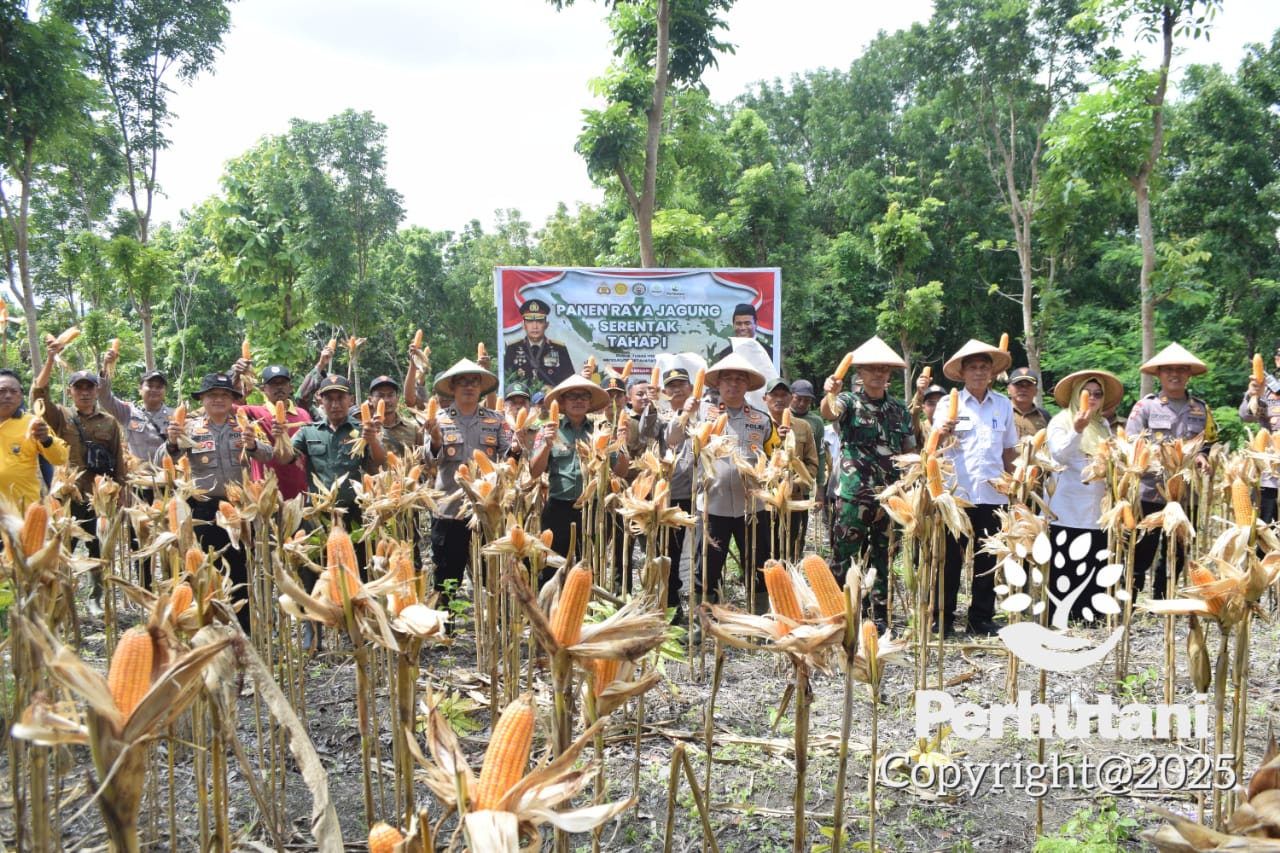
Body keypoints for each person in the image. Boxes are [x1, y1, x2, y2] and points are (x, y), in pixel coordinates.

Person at [158, 373, 271, 634]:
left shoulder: (245, 426)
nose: (218, 399)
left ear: (233, 399)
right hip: (203, 509)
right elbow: (162, 461)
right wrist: (172, 443)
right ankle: (210, 628)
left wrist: (253, 446)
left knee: (240, 571)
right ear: (203, 400)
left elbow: (269, 454)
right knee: (206, 570)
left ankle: (243, 631)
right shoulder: (190, 428)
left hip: (238, 510)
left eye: (224, 395)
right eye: (212, 395)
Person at [669, 352, 777, 612]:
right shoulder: (700, 415)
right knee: (706, 567)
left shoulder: (762, 420)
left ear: (748, 385)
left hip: (752, 509)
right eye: (727, 379)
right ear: (718, 384)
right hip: (711, 508)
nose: (733, 384)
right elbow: (673, 439)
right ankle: (704, 620)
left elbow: (774, 460)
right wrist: (684, 413)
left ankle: (759, 619)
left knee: (758, 565)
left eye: (740, 379)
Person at [820, 336, 916, 629]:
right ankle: (840, 612)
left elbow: (909, 450)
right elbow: (829, 412)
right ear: (859, 373)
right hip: (854, 493)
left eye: (884, 369)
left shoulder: (900, 409)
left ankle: (879, 616)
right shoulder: (848, 401)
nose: (878, 374)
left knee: (884, 557)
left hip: (890, 496)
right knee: (845, 555)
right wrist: (830, 393)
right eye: (872, 369)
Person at [931, 338, 1018, 636]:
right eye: (973, 368)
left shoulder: (1003, 405)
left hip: (993, 494)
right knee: (950, 560)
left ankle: (980, 617)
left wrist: (1014, 488)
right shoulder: (947, 404)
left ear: (992, 372)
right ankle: (941, 617)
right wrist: (942, 433)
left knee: (987, 560)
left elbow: (1009, 451)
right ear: (963, 373)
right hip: (958, 495)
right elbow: (933, 450)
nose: (979, 373)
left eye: (984, 367)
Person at [33, 341, 127, 612]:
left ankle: (95, 598)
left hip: (99, 496)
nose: (85, 393)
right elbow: (39, 394)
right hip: (66, 496)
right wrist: (51, 359)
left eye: (89, 388)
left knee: (99, 548)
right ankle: (59, 598)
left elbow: (119, 460)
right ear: (70, 391)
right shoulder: (61, 417)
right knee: (63, 547)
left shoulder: (109, 422)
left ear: (97, 391)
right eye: (79, 388)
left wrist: (121, 494)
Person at [1125, 343, 1217, 598]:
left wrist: (1202, 457)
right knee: (1143, 546)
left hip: (1186, 493)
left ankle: (1163, 596)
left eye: (1180, 370)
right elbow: (1132, 442)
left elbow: (1208, 442)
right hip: (1151, 490)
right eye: (1168, 370)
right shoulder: (1146, 407)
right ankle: (1131, 597)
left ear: (1189, 374)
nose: (1174, 374)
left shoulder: (1201, 408)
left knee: (1178, 547)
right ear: (1159, 375)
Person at [422, 359, 511, 605]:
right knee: (446, 578)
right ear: (452, 387)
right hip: (449, 513)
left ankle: (496, 629)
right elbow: (429, 463)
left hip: (487, 511)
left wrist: (517, 446)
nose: (469, 387)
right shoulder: (436, 421)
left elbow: (510, 457)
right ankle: (445, 631)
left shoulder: (497, 421)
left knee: (492, 574)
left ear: (481, 387)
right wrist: (437, 439)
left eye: (474, 382)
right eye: (463, 382)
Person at [1045, 370, 1125, 623]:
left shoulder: (1102, 426)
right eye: (1087, 393)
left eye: (1098, 394)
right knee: (1066, 565)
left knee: (1093, 564)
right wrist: (1077, 430)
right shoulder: (1061, 421)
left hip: (1098, 509)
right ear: (1076, 395)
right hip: (1067, 507)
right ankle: (1060, 615)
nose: (1092, 399)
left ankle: (1089, 616)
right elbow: (1059, 456)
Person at [530, 374, 628, 579]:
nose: (578, 400)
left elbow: (619, 472)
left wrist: (622, 444)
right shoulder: (547, 430)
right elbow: (534, 472)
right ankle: (553, 609)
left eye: (583, 396)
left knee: (591, 568)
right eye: (572, 396)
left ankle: (590, 609)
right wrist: (547, 445)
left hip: (592, 509)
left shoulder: (601, 431)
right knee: (552, 568)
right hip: (558, 508)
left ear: (590, 402)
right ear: (563, 402)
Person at [232, 364, 313, 501]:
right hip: (266, 494)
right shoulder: (253, 412)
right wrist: (236, 377)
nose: (279, 387)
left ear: (291, 388)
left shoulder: (303, 414)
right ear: (263, 389)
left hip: (300, 493)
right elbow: (226, 405)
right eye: (273, 384)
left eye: (283, 383)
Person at [763, 377, 819, 561]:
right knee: (765, 549)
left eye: (784, 395)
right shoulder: (759, 424)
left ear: (790, 399)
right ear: (765, 399)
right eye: (774, 395)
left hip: (794, 501)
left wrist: (796, 484)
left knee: (792, 548)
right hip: (765, 502)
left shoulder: (803, 427)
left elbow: (812, 464)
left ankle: (791, 583)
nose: (779, 399)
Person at [0, 368, 67, 508]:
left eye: (13, 392)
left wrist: (46, 440)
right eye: (2, 391)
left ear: (20, 396)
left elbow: (59, 458)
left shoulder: (33, 424)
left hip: (23, 513)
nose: (7, 396)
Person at [659, 367, 695, 620]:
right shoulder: (657, 416)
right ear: (664, 392)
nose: (677, 389)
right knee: (670, 552)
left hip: (702, 495)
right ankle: (670, 604)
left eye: (682, 384)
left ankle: (703, 605)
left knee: (699, 553)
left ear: (691, 388)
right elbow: (667, 438)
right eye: (671, 386)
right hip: (670, 496)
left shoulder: (707, 415)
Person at [98, 351, 173, 462]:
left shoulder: (174, 415)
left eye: (159, 387)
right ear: (140, 389)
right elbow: (105, 398)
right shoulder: (128, 412)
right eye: (150, 386)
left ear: (164, 391)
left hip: (166, 474)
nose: (154, 390)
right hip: (137, 475)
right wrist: (106, 367)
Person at [1240, 343, 1280, 524]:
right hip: (1269, 478)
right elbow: (1246, 416)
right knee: (1265, 533)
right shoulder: (1266, 388)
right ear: (1278, 361)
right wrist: (1253, 395)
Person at [504, 299, 576, 388]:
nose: (535, 326)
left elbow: (569, 381)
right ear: (523, 324)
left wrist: (552, 389)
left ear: (546, 324)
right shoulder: (513, 348)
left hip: (551, 399)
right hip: (522, 400)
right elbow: (506, 381)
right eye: (530, 321)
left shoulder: (559, 349)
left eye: (539, 321)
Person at [789, 379, 827, 518]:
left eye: (807, 401)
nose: (802, 404)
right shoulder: (779, 415)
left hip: (802, 485)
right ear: (790, 396)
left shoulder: (816, 422)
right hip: (777, 486)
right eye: (798, 399)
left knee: (798, 530)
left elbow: (821, 456)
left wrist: (820, 489)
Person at [367, 375, 422, 459]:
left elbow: (424, 462)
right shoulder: (366, 431)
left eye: (390, 395)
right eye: (380, 395)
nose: (386, 400)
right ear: (370, 400)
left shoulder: (413, 429)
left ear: (397, 398)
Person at [1008, 367, 1051, 439]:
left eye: (1028, 385)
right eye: (1018, 385)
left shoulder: (1045, 416)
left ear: (1036, 391)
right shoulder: (1000, 413)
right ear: (1009, 389)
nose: (1023, 389)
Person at [908, 376, 945, 447]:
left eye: (941, 402)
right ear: (923, 407)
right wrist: (919, 395)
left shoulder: (954, 428)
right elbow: (911, 417)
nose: (937, 407)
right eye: (931, 403)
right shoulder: (920, 428)